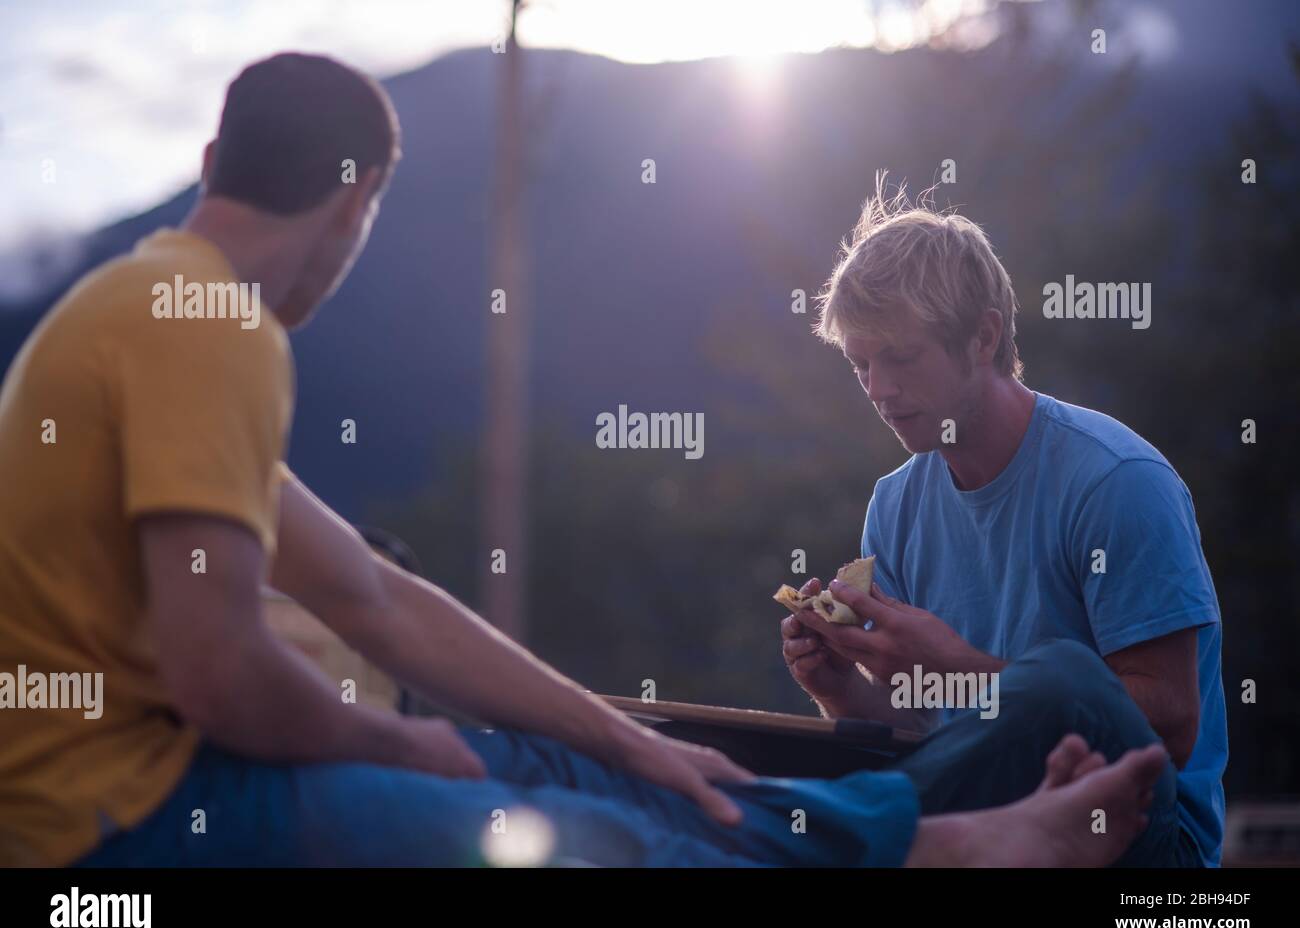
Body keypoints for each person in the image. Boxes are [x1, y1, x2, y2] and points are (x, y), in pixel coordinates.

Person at [0, 53, 1165, 868]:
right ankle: (948, 848)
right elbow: (221, 675)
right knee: (575, 845)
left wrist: (615, 735)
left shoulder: (146, 310)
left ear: (211, 160)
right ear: (357, 203)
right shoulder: (208, 325)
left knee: (603, 775)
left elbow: (373, 595)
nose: (879, 387)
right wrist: (408, 745)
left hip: (152, 788)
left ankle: (937, 842)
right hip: (120, 825)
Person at [780, 180, 1226, 867]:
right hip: (982, 829)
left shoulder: (1115, 479)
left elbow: (1169, 723)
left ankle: (814, 834)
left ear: (983, 336)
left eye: (899, 356)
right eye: (860, 364)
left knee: (1066, 682)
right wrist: (842, 688)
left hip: (1140, 837)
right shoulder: (895, 505)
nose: (877, 388)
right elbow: (933, 731)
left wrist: (956, 667)